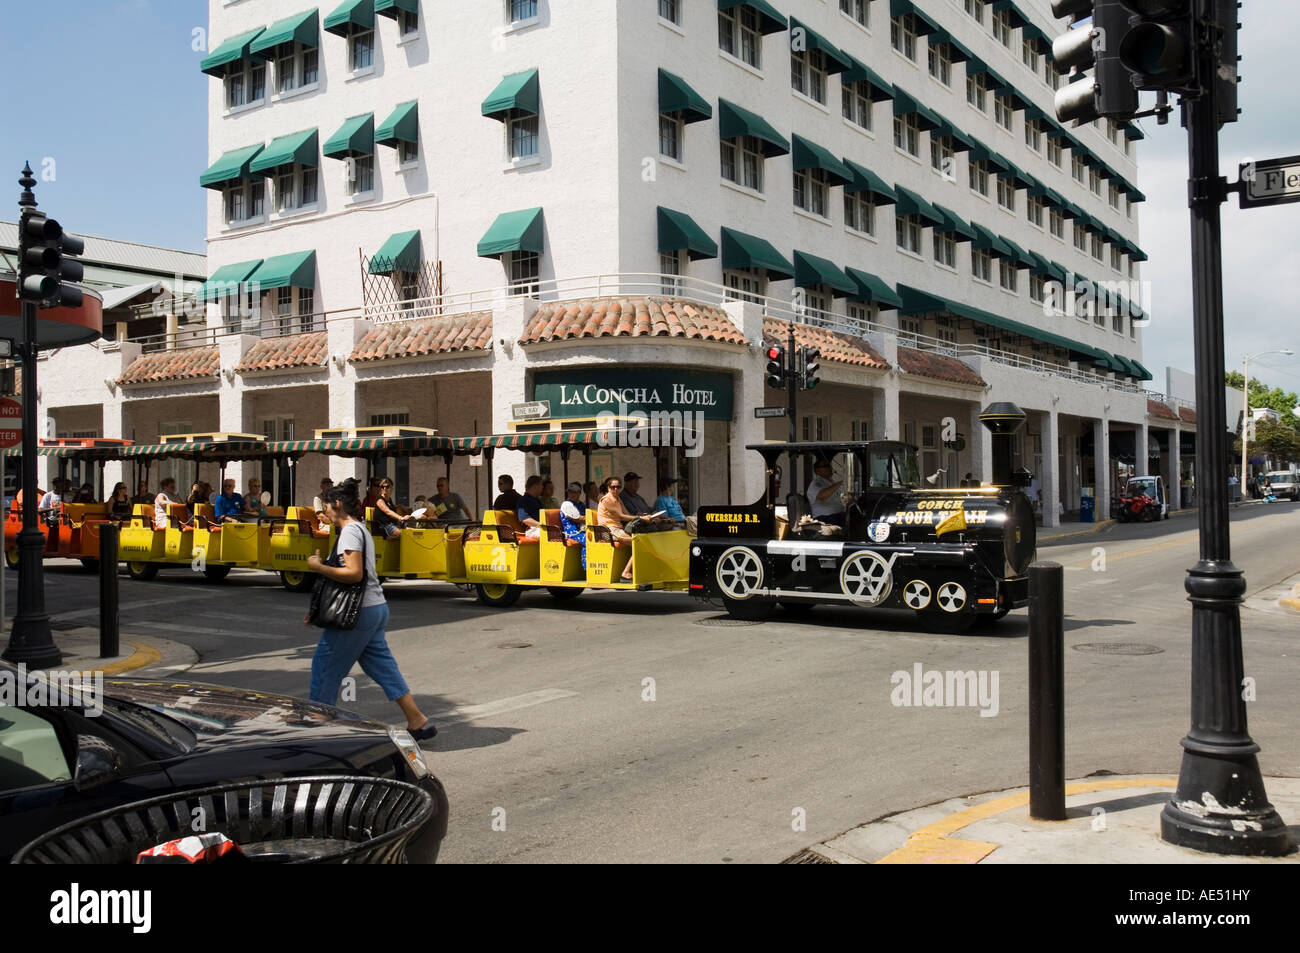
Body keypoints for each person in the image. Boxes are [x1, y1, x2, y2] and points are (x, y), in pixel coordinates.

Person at [306, 478, 436, 742]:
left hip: (358, 613)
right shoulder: (360, 529)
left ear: (338, 505)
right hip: (374, 609)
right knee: (382, 667)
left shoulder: (350, 532)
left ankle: (317, 728)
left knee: (326, 666)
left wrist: (318, 567)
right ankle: (417, 721)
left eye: (327, 506)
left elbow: (353, 574)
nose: (324, 512)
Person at [597, 477, 640, 581]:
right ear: (608, 488)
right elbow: (621, 516)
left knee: (641, 539)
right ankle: (626, 572)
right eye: (613, 487)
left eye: (618, 487)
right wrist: (641, 518)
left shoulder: (618, 499)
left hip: (618, 529)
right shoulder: (607, 500)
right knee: (638, 544)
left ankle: (636, 571)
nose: (616, 489)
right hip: (609, 531)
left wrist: (643, 517)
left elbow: (627, 514)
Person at [806, 458, 846, 527]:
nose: (830, 468)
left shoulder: (831, 483)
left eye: (829, 465)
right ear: (817, 471)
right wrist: (840, 483)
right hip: (825, 519)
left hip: (838, 515)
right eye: (826, 466)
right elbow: (822, 496)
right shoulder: (815, 483)